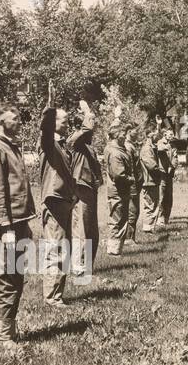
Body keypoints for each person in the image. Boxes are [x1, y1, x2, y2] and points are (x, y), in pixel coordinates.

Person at [0, 101, 37, 344]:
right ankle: (0, 337)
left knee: (15, 277)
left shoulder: (9, 147)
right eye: (15, 118)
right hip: (4, 227)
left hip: (18, 222)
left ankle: (7, 331)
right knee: (4, 278)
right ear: (0, 121)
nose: (20, 121)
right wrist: (6, 229)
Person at [37, 100, 80, 307]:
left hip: (64, 201)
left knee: (63, 247)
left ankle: (56, 294)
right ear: (54, 123)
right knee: (55, 248)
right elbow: (44, 129)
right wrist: (49, 107)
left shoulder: (61, 145)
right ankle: (52, 297)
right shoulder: (49, 143)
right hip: (54, 202)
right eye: (64, 121)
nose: (67, 124)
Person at [68, 100, 103, 280]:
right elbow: (87, 129)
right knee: (81, 229)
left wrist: (99, 179)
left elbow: (95, 167)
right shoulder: (74, 141)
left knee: (91, 231)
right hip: (80, 188)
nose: (93, 130)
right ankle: (78, 267)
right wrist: (88, 111)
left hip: (90, 189)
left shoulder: (88, 147)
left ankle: (87, 266)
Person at [105, 125, 140, 254]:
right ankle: (113, 251)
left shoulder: (119, 149)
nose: (125, 136)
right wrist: (130, 179)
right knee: (117, 220)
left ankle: (117, 249)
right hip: (117, 191)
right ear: (115, 136)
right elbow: (118, 174)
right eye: (122, 134)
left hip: (122, 190)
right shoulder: (115, 153)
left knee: (121, 219)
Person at [138, 128, 162, 233]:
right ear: (148, 136)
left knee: (153, 203)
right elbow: (151, 165)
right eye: (153, 136)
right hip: (149, 181)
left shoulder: (151, 148)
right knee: (150, 204)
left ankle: (150, 226)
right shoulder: (146, 149)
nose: (156, 138)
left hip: (152, 180)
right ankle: (148, 227)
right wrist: (161, 172)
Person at [156, 129, 175, 225]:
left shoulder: (173, 145)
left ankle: (167, 217)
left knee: (169, 196)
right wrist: (167, 147)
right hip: (162, 173)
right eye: (170, 134)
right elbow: (160, 150)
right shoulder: (160, 142)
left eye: (173, 134)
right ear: (165, 135)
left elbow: (175, 157)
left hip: (169, 174)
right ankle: (160, 217)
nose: (172, 136)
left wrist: (172, 166)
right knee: (161, 196)